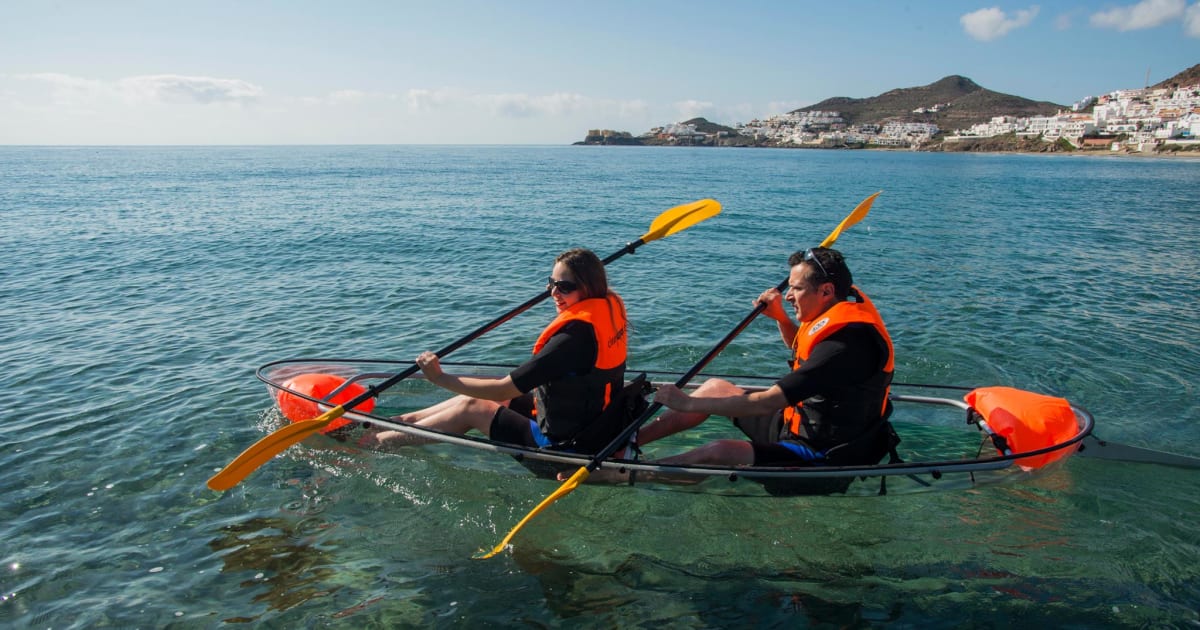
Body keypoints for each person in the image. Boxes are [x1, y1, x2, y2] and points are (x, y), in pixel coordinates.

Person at [590, 247, 897, 487]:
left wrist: (686, 401)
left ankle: (622, 474)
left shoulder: (847, 343)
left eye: (796, 289)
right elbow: (802, 351)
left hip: (823, 453)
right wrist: (780, 317)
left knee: (719, 451)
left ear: (827, 291)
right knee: (716, 387)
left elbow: (771, 399)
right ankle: (625, 445)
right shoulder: (834, 312)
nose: (788, 295)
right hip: (796, 425)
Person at [366, 248, 637, 458]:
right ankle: (398, 422)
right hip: (596, 424)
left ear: (589, 287)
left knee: (473, 406)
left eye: (565, 287)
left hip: (567, 448)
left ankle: (375, 443)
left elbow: (503, 389)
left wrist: (439, 377)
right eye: (551, 283)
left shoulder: (572, 338)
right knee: (472, 394)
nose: (554, 293)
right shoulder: (607, 307)